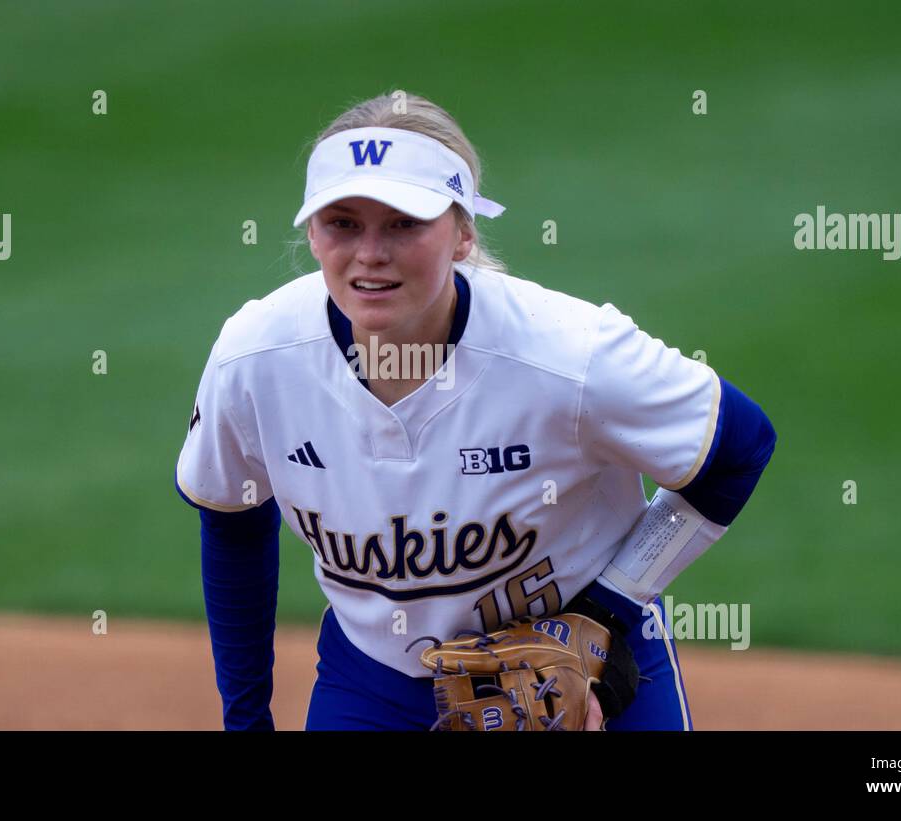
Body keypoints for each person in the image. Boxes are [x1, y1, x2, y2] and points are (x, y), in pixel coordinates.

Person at [175, 92, 776, 731]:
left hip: (580, 674)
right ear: (312, 232)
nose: (371, 253)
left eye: (405, 223)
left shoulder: (568, 355)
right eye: (343, 223)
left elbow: (740, 444)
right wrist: (246, 723)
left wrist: (608, 614)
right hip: (374, 686)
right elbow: (233, 520)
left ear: (463, 233)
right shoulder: (256, 358)